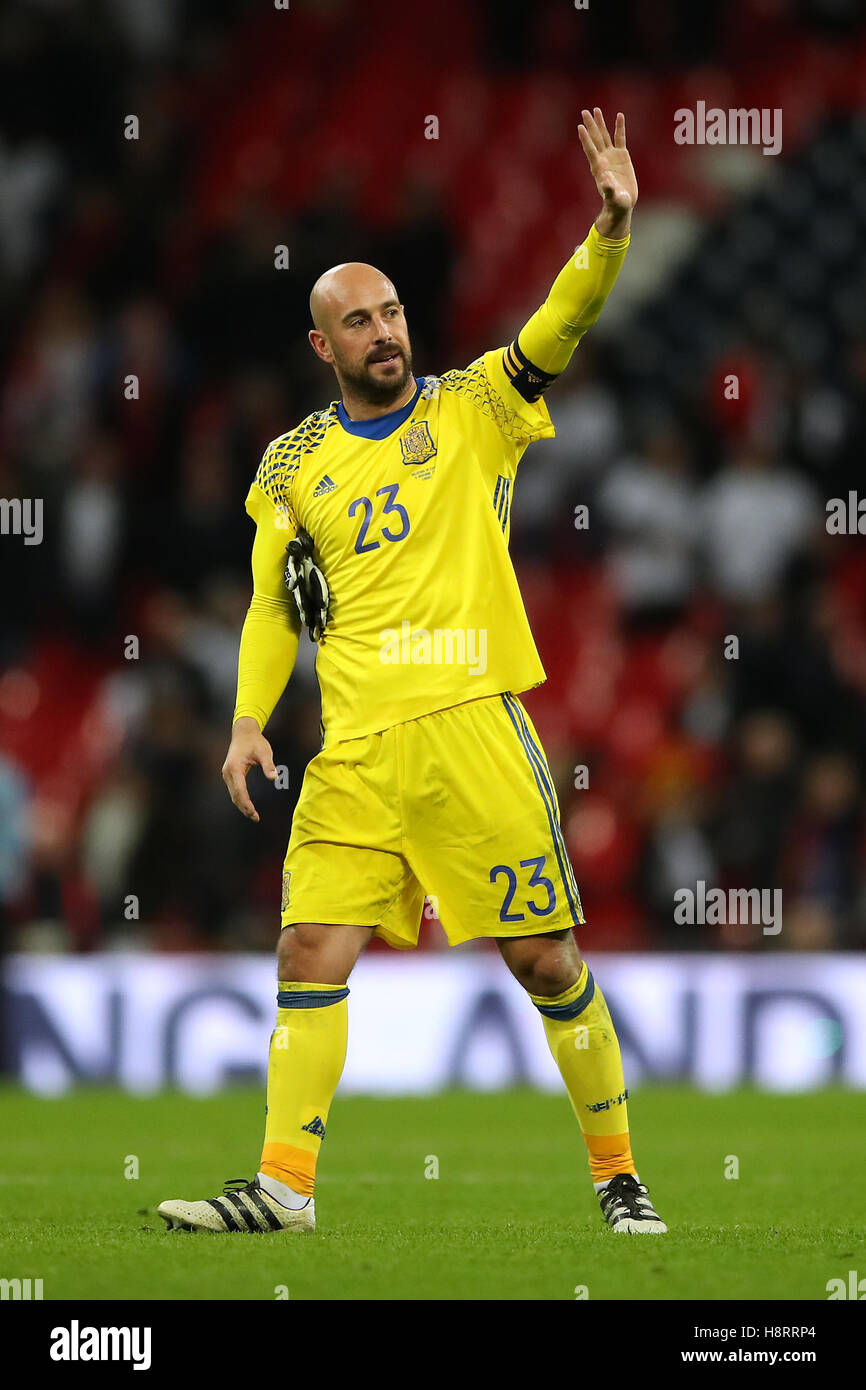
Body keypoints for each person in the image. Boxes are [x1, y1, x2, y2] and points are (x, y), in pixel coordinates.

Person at [158, 109, 666, 1237]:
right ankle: (284, 1186)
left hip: (469, 727)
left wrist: (611, 228)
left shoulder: (472, 406)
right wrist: (247, 721)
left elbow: (558, 323)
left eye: (389, 312)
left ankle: (618, 1176)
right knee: (306, 946)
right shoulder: (290, 464)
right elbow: (270, 605)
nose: (384, 333)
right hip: (353, 751)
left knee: (542, 959)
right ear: (322, 348)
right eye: (358, 322)